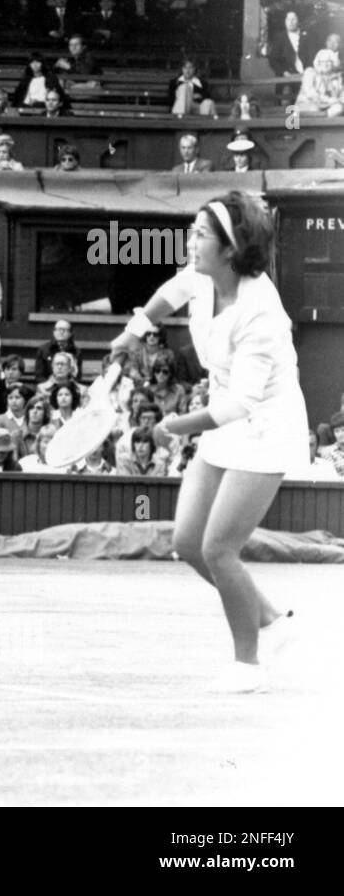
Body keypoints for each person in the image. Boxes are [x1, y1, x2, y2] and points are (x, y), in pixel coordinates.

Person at [109, 191, 303, 693]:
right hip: (222, 418)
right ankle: (274, 623)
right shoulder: (202, 275)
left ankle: (248, 665)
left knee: (220, 548)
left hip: (263, 427)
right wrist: (136, 330)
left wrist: (175, 426)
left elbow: (241, 404)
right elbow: (172, 292)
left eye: (200, 235)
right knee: (188, 542)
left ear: (231, 248)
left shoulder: (261, 313)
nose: (191, 241)